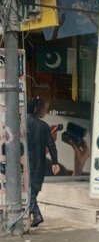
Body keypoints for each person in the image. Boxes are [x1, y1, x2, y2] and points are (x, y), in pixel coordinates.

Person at [26, 98, 60, 228]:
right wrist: (55, 162)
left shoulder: (21, 124)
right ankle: (32, 216)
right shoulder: (44, 126)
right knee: (32, 190)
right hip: (40, 163)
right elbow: (51, 146)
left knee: (28, 191)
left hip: (26, 163)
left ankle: (36, 214)